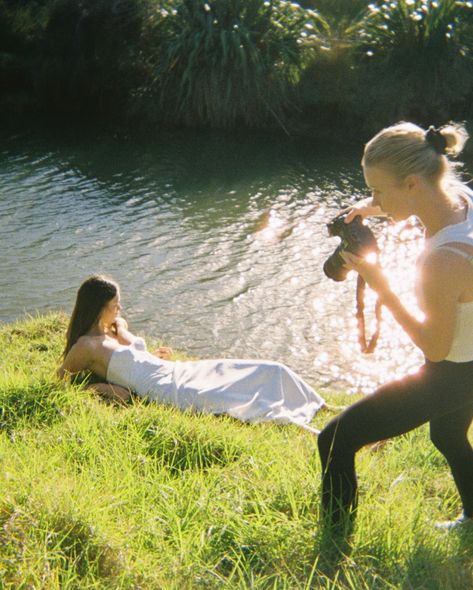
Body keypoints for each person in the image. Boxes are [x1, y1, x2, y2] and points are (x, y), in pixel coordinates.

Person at [318, 121, 473, 530]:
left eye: (377, 190)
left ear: (411, 185)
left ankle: (333, 542)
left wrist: (381, 284)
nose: (373, 199)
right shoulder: (459, 199)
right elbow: (401, 202)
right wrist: (367, 209)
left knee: (335, 439)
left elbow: (435, 349)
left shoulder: (444, 260)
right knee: (447, 435)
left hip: (456, 372)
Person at [58, 274, 325, 431]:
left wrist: (151, 355)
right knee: (230, 395)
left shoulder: (115, 327)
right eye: (115, 305)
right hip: (165, 389)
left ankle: (317, 403)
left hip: (174, 370)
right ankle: (302, 424)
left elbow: (132, 357)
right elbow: (58, 383)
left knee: (267, 368)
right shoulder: (86, 346)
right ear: (98, 307)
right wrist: (98, 390)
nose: (120, 308)